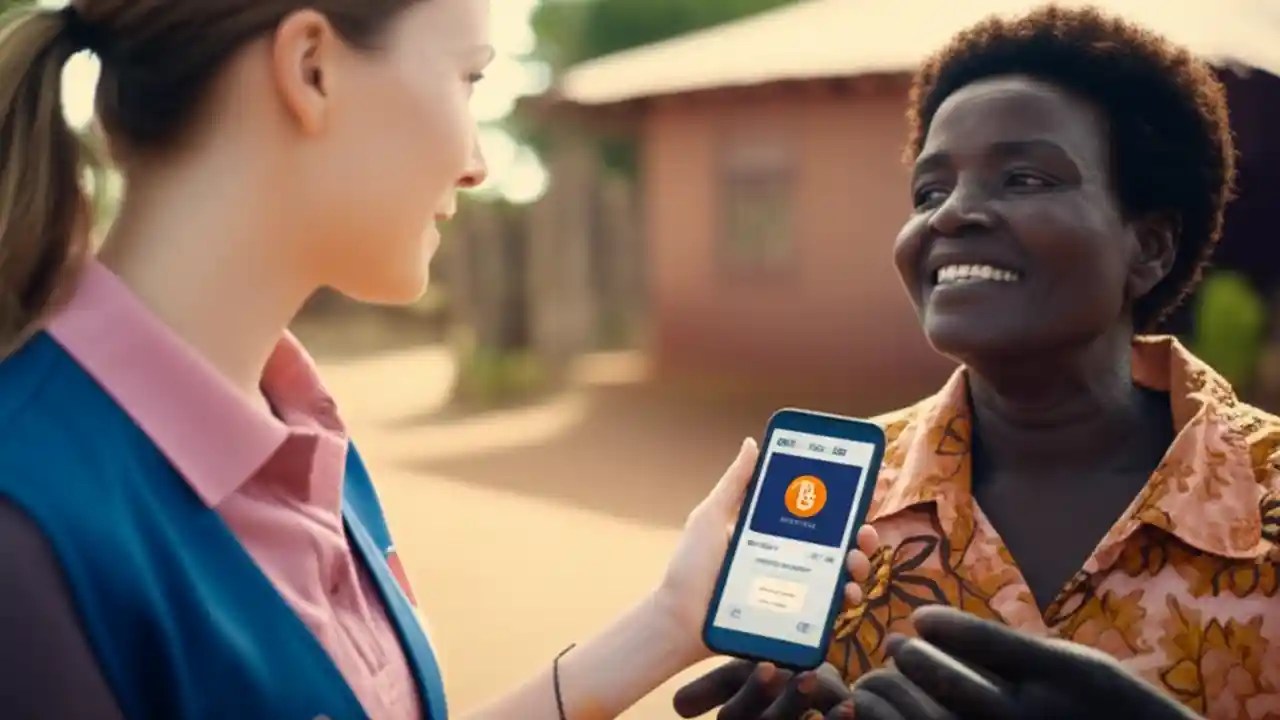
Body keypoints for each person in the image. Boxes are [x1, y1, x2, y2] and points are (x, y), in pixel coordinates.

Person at [0, 2, 880, 719]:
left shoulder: (302, 439)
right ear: (312, 69)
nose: (478, 161)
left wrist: (664, 625)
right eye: (468, 79)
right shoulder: (27, 531)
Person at [675, 6, 1280, 720]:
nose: (951, 214)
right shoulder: (840, 510)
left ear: (1148, 247)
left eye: (1024, 178)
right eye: (929, 190)